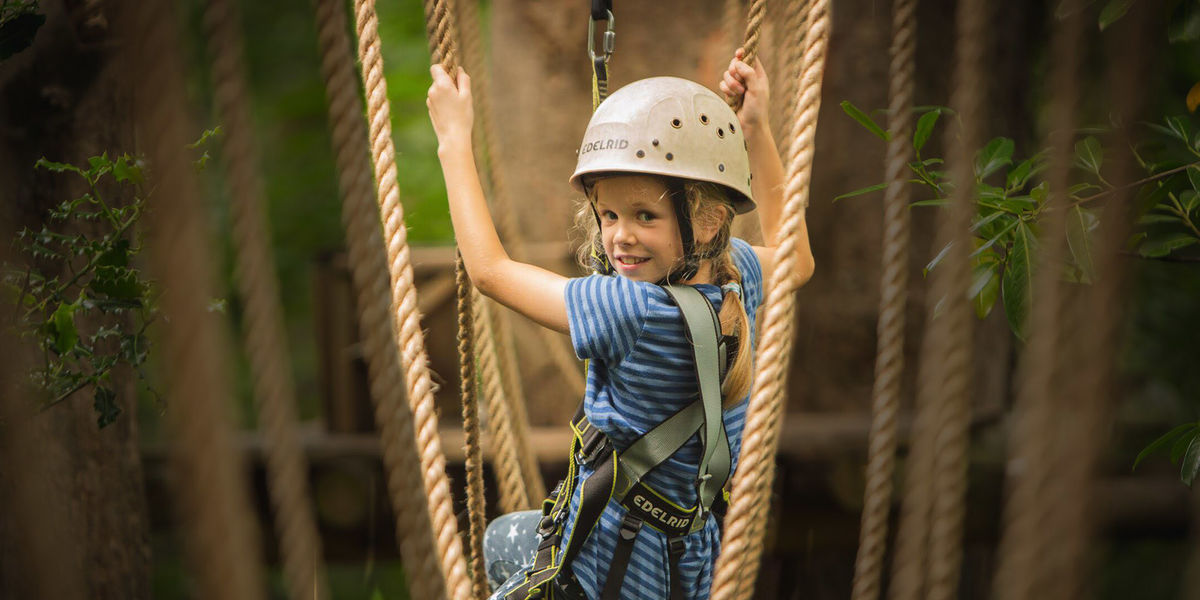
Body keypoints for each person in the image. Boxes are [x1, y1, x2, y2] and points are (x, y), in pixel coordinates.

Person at [426, 47, 813, 600]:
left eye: (644, 216)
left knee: (500, 542)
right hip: (688, 555)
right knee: (503, 539)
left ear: (706, 221)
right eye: (609, 214)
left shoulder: (627, 309)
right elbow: (797, 257)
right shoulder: (736, 277)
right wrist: (757, 129)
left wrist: (453, 143)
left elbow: (490, 271)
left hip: (612, 563)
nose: (620, 237)